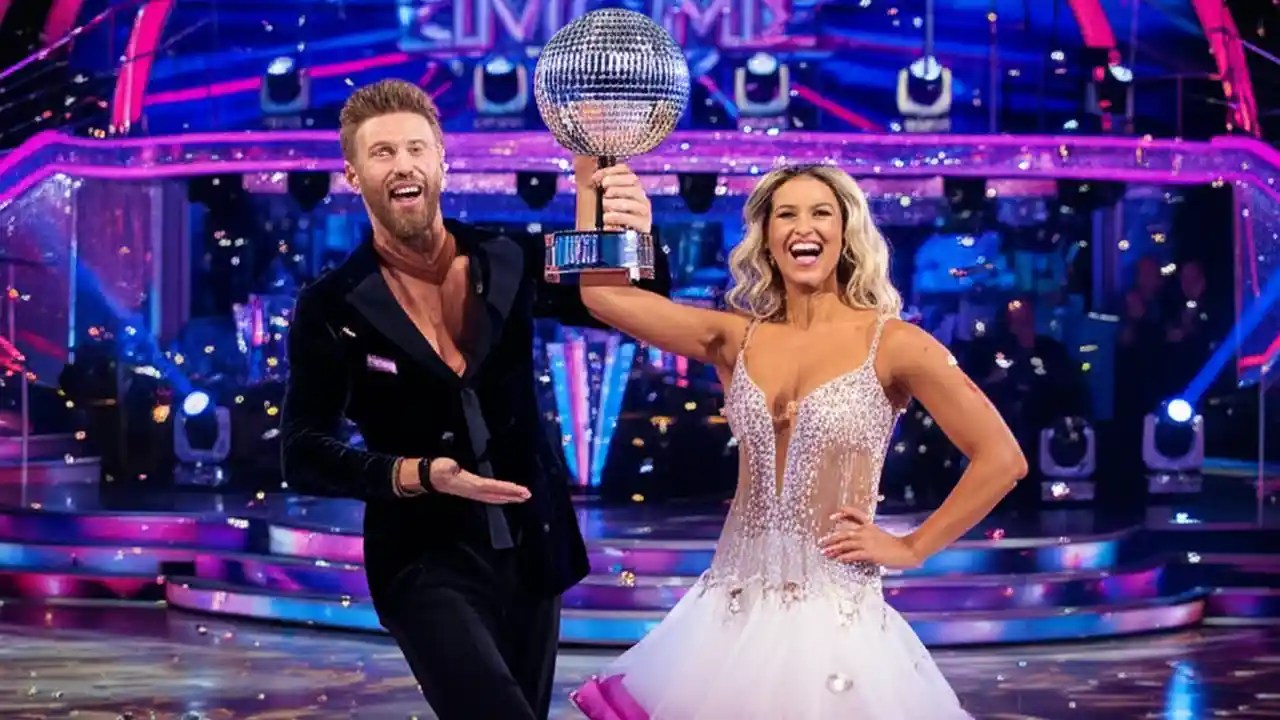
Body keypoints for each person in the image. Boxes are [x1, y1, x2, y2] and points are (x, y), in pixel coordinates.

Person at [570, 161, 1027, 718]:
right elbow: (601, 296)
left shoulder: (895, 344)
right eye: (786, 214)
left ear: (845, 233)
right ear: (765, 236)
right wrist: (590, 170)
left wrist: (911, 547)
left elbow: (1002, 459)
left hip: (835, 629)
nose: (802, 227)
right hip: (726, 621)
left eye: (820, 213)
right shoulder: (733, 337)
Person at [279, 79, 667, 720]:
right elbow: (302, 451)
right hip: (423, 559)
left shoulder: (510, 255)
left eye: (415, 148)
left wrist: (637, 236)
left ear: (440, 161)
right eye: (381, 154)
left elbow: (627, 306)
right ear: (353, 175)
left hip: (533, 551)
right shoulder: (329, 305)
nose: (402, 164)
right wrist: (419, 475)